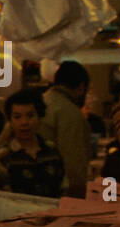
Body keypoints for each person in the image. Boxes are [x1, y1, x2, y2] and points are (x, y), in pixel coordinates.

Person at [0, 90, 65, 198]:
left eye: (30, 116)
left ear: (39, 117)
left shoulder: (51, 150)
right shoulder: (2, 156)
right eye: (17, 117)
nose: (24, 122)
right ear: (10, 121)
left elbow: (62, 189)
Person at [39, 60, 94, 199]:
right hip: (54, 192)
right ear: (82, 87)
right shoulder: (71, 114)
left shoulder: (37, 102)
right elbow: (74, 167)